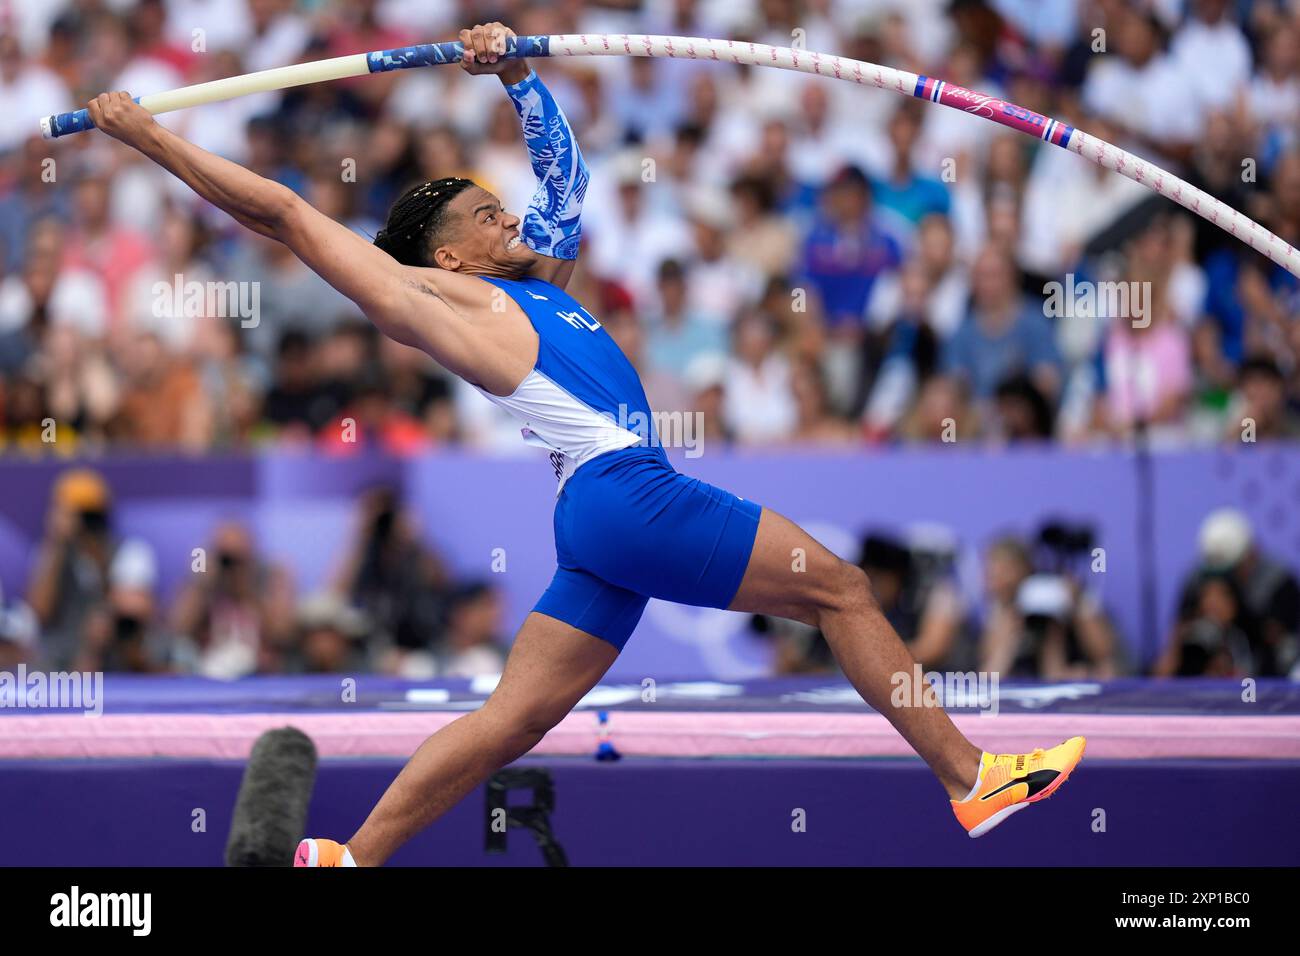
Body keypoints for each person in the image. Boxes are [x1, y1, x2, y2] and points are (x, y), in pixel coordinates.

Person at [83, 21, 1084, 863]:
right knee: (843, 589)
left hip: (599, 517)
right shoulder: (435, 299)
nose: (508, 213)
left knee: (508, 724)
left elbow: (564, 178)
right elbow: (289, 213)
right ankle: (968, 776)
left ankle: (349, 857)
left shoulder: (538, 286)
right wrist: (146, 136)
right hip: (627, 492)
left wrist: (516, 74)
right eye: (485, 213)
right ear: (445, 252)